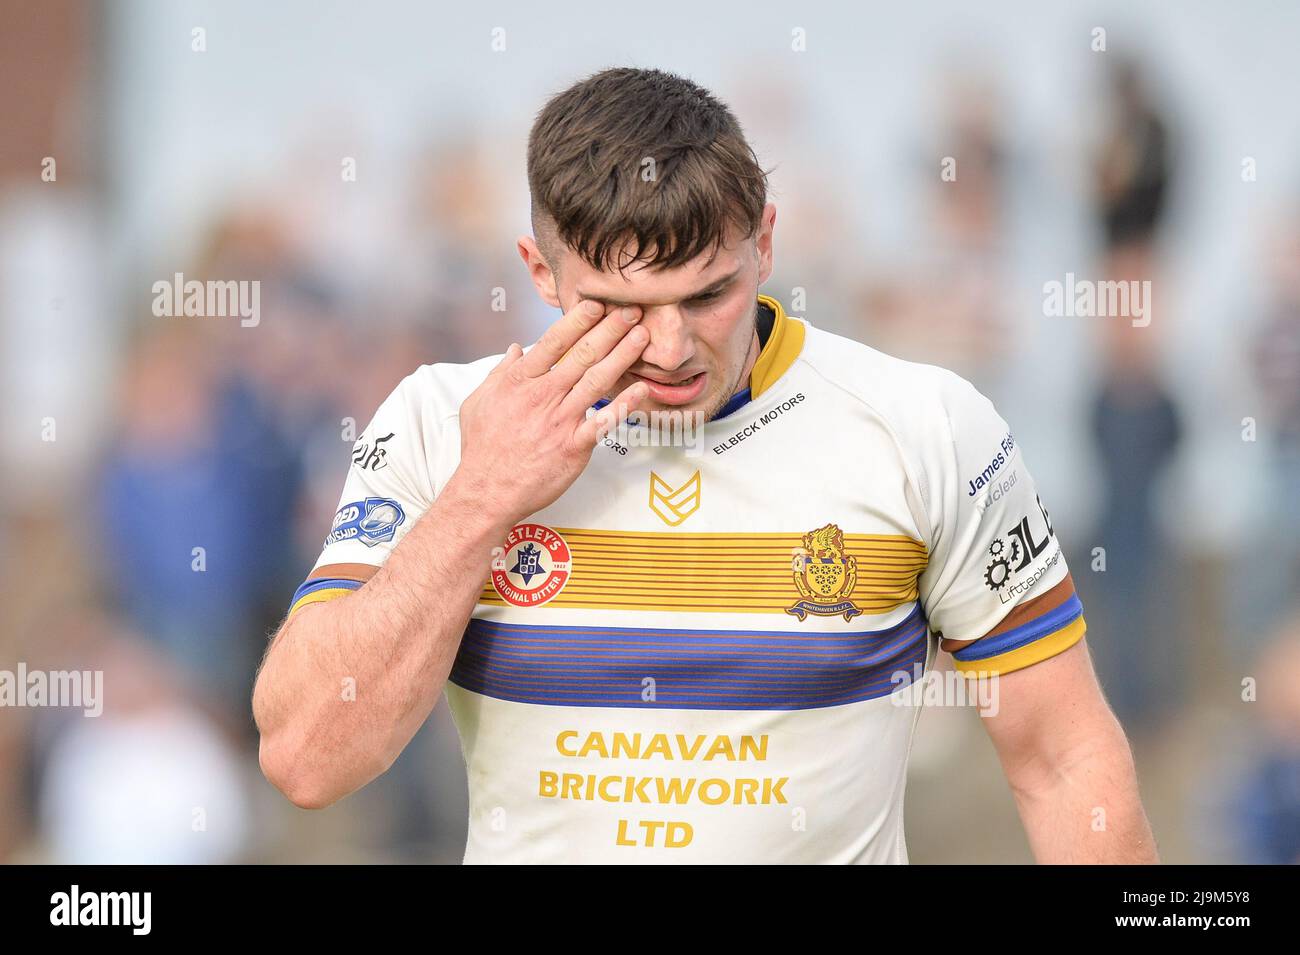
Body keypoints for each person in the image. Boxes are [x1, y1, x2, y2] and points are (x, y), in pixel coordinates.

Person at [252, 67, 1157, 864]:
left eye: (709, 292)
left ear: (765, 243)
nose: (673, 346)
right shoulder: (439, 425)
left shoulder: (926, 426)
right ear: (539, 271)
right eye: (620, 305)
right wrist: (482, 497)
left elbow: (1065, 758)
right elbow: (306, 756)